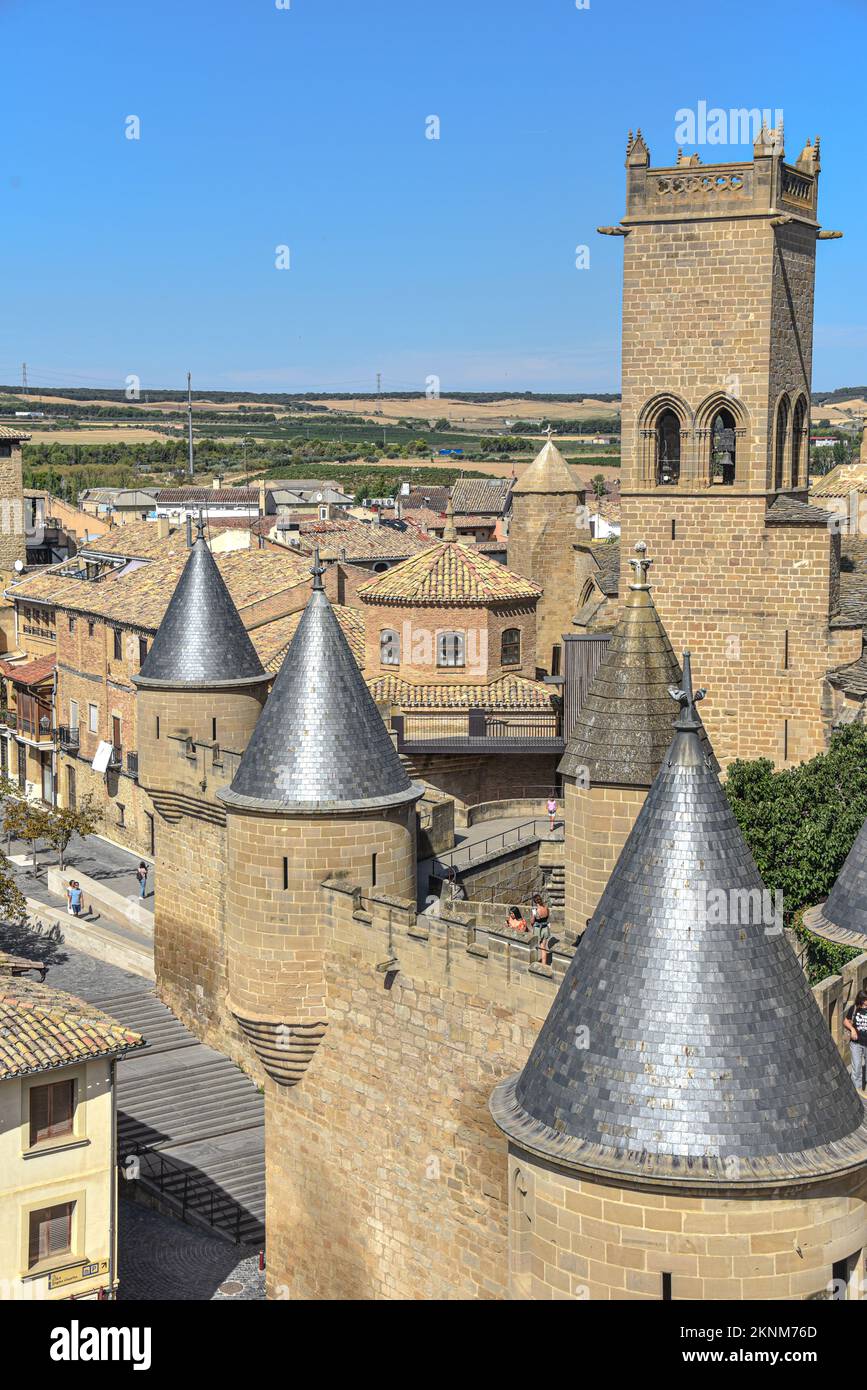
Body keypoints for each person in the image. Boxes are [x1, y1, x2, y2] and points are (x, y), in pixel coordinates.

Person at [845, 990, 867, 1093]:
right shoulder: (854, 1009)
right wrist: (852, 1029)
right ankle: (857, 1091)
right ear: (862, 1000)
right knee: (857, 1067)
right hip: (856, 1044)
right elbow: (845, 1021)